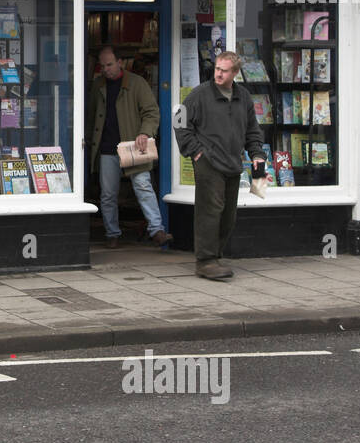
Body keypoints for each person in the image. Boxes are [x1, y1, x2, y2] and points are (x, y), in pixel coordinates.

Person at [173, 51, 265, 281]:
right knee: (210, 210)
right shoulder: (199, 95)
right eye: (217, 69)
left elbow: (253, 129)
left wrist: (256, 154)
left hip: (233, 162)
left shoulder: (243, 97)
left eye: (224, 70)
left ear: (235, 73)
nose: (218, 74)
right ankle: (205, 261)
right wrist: (195, 152)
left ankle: (215, 255)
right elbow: (178, 119)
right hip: (208, 161)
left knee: (228, 215)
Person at [87, 46, 171, 248]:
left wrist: (145, 133)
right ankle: (112, 234)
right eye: (102, 65)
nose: (106, 69)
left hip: (133, 145)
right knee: (108, 194)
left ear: (119, 62)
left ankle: (157, 230)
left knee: (143, 186)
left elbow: (151, 112)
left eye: (109, 64)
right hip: (107, 147)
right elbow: (90, 116)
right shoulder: (98, 85)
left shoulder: (137, 83)